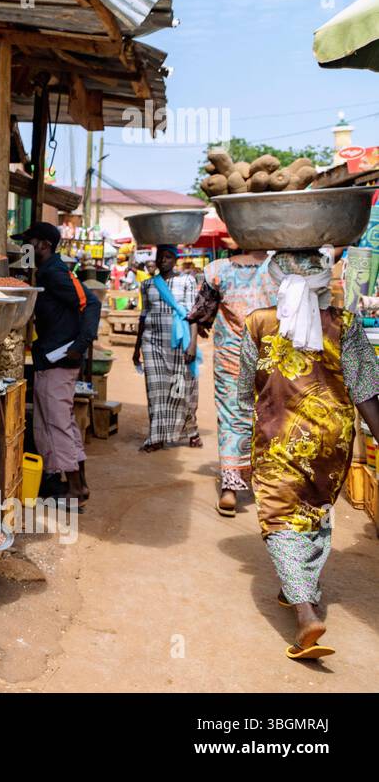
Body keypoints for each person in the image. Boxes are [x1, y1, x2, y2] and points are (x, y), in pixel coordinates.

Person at [238, 249, 379, 659]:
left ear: (278, 279)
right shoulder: (346, 324)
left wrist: (241, 438)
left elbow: (246, 385)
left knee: (281, 518)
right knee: (315, 511)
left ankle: (305, 613)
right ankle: (297, 585)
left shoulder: (259, 323)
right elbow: (367, 391)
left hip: (278, 436)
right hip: (332, 440)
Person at [187, 248, 276, 515]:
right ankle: (270, 487)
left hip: (231, 359)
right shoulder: (281, 267)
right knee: (271, 418)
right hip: (272, 356)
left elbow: (202, 313)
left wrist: (203, 324)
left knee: (231, 419)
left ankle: (230, 489)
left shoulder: (219, 270)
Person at [19, 221, 101, 503]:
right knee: (57, 422)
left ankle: (76, 488)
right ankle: (77, 485)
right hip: (51, 357)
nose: (23, 248)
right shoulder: (45, 272)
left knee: (56, 424)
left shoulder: (54, 272)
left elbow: (91, 303)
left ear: (43, 245)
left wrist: (80, 345)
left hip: (60, 358)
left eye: (27, 242)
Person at [134, 244, 201, 452]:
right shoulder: (147, 285)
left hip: (179, 343)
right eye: (160, 257)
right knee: (155, 390)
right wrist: (136, 348)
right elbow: (143, 316)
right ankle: (156, 437)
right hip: (151, 342)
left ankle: (191, 430)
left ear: (176, 260)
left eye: (168, 257)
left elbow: (192, 315)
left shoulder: (187, 281)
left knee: (181, 388)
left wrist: (192, 344)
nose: (163, 261)